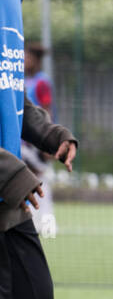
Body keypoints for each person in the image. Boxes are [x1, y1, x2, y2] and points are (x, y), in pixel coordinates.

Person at [0, 0, 78, 299]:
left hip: (5, 196)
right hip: (7, 181)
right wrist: (12, 172)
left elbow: (6, 82)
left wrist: (48, 133)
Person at [20, 42, 56, 232]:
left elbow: (46, 110)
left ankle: (48, 224)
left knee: (39, 178)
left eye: (27, 58)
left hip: (35, 141)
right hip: (23, 140)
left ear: (35, 60)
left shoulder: (42, 81)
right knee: (26, 178)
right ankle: (33, 221)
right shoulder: (23, 80)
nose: (24, 61)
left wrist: (46, 141)